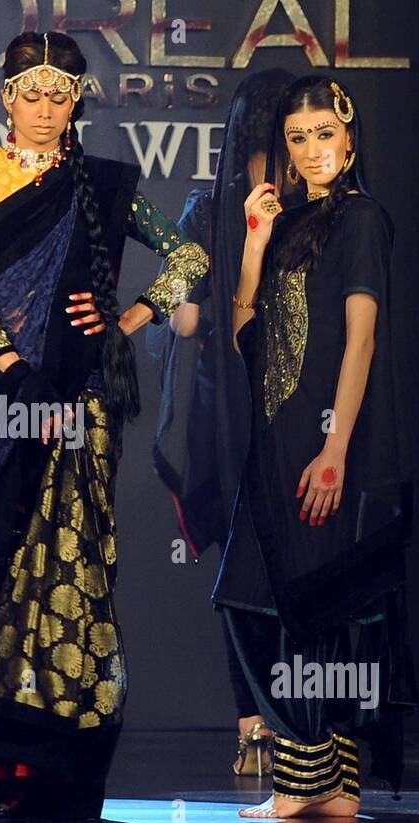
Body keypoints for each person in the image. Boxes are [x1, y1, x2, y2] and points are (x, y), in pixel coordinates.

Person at [0, 31, 209, 820]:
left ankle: (62, 762)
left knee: (73, 572)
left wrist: (127, 319)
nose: (46, 108)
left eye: (61, 94)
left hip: (80, 404)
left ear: (77, 101)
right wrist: (5, 361)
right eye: (33, 92)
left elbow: (186, 258)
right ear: (5, 98)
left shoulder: (105, 182)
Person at [218, 76, 417, 818]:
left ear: (351, 138)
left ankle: (302, 779)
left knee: (289, 605)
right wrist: (255, 243)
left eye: (323, 135)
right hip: (279, 442)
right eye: (296, 139)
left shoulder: (360, 220)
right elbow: (243, 335)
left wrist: (334, 446)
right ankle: (335, 784)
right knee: (292, 603)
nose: (310, 151)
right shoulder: (293, 221)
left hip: (323, 445)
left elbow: (362, 339)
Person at [147, 68, 295, 777]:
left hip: (299, 404)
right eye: (270, 138)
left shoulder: (320, 209)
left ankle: (306, 724)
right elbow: (175, 318)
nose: (280, 154)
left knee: (300, 565)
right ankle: (251, 721)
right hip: (225, 410)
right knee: (243, 567)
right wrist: (187, 309)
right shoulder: (205, 213)